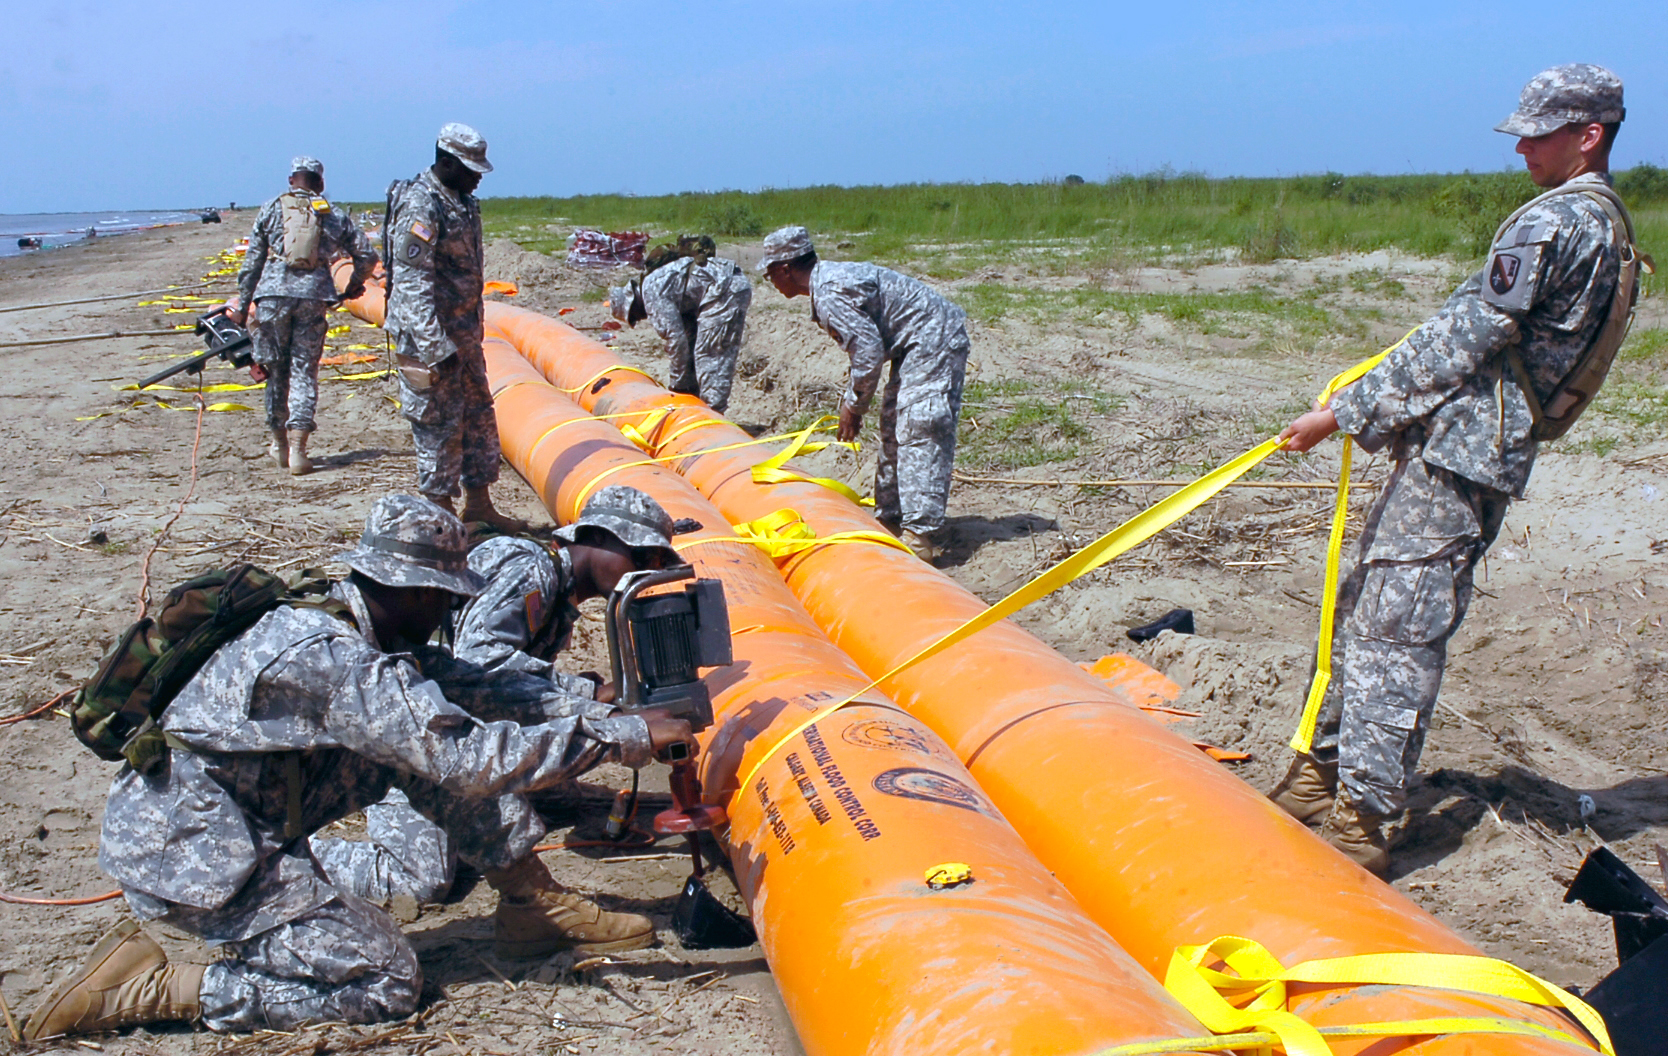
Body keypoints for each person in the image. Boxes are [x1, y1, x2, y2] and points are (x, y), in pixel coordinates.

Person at [24, 496, 697, 1040]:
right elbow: (466, 757)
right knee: (387, 981)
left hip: (242, 814)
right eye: (442, 595)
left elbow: (465, 686)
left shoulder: (352, 620)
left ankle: (533, 903)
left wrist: (600, 705)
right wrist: (622, 739)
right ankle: (159, 987)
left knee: (425, 749)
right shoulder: (331, 658)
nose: (450, 609)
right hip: (197, 855)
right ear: (407, 588)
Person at [1270, 64, 1639, 876]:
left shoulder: (1559, 222)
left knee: (1396, 629)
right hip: (1465, 447)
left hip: (1463, 453)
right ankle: (1318, 767)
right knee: (1366, 597)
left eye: (1540, 135)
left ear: (1589, 135)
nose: (1525, 151)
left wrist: (1344, 412)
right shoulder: (1604, 223)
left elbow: (1465, 337)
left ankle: (1365, 815)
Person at [310, 486, 684, 907]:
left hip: (400, 738)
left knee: (550, 795)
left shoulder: (395, 639)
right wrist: (610, 725)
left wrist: (598, 708)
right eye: (640, 557)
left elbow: (477, 683)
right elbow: (474, 694)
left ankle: (528, 895)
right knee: (423, 880)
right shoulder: (530, 573)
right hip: (256, 836)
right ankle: (293, 863)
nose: (457, 607)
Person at [758, 226, 970, 562]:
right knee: (893, 424)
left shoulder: (828, 292)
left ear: (785, 268)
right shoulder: (827, 286)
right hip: (913, 343)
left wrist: (853, 407)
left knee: (919, 425)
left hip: (933, 337)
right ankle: (891, 519)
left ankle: (920, 535)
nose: (770, 281)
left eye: (770, 273)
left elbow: (868, 352)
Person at [384, 123, 526, 532]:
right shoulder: (421, 205)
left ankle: (480, 505)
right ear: (445, 162)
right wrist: (434, 347)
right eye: (470, 167)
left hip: (464, 335)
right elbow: (411, 286)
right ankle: (441, 514)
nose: (478, 176)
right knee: (437, 423)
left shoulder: (462, 201)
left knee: (479, 415)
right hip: (431, 340)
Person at [228, 157, 379, 475]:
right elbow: (366, 254)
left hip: (272, 298)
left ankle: (279, 445)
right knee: (303, 372)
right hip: (314, 297)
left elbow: (252, 260)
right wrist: (351, 287)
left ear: (291, 180)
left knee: (274, 369)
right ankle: (299, 450)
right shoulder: (332, 213)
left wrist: (243, 306)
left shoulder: (271, 208)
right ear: (319, 182)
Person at [609, 236, 753, 414]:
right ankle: (702, 408)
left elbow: (677, 343)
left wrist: (677, 387)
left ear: (633, 304)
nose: (641, 319)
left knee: (710, 355)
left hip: (724, 290)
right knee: (702, 351)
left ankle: (713, 417)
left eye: (635, 317)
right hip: (726, 284)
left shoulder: (651, 293)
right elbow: (686, 340)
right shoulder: (657, 282)